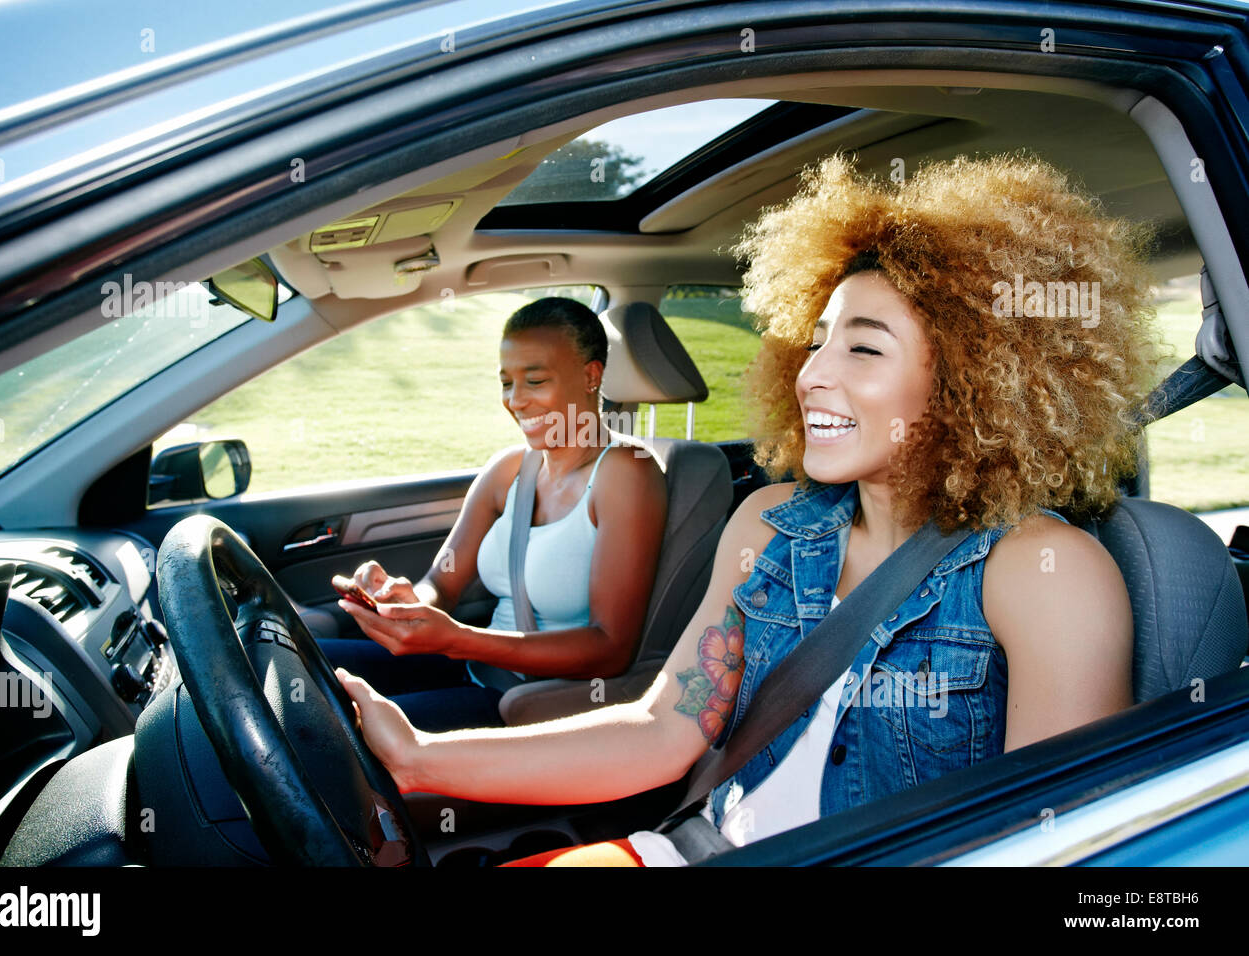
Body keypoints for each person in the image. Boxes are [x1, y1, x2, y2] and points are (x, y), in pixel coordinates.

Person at [336, 153, 1166, 864]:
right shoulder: (769, 521)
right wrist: (421, 760)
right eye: (817, 341)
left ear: (976, 381)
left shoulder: (1043, 575)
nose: (813, 375)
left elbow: (1058, 847)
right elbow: (663, 730)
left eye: (864, 348)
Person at [321, 297, 668, 733]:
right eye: (506, 383)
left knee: (335, 731)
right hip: (474, 669)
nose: (516, 401)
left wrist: (457, 639)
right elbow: (442, 584)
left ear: (590, 375)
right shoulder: (507, 470)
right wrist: (405, 599)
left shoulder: (626, 472)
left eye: (535, 380)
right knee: (301, 661)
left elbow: (610, 649)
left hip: (538, 705)